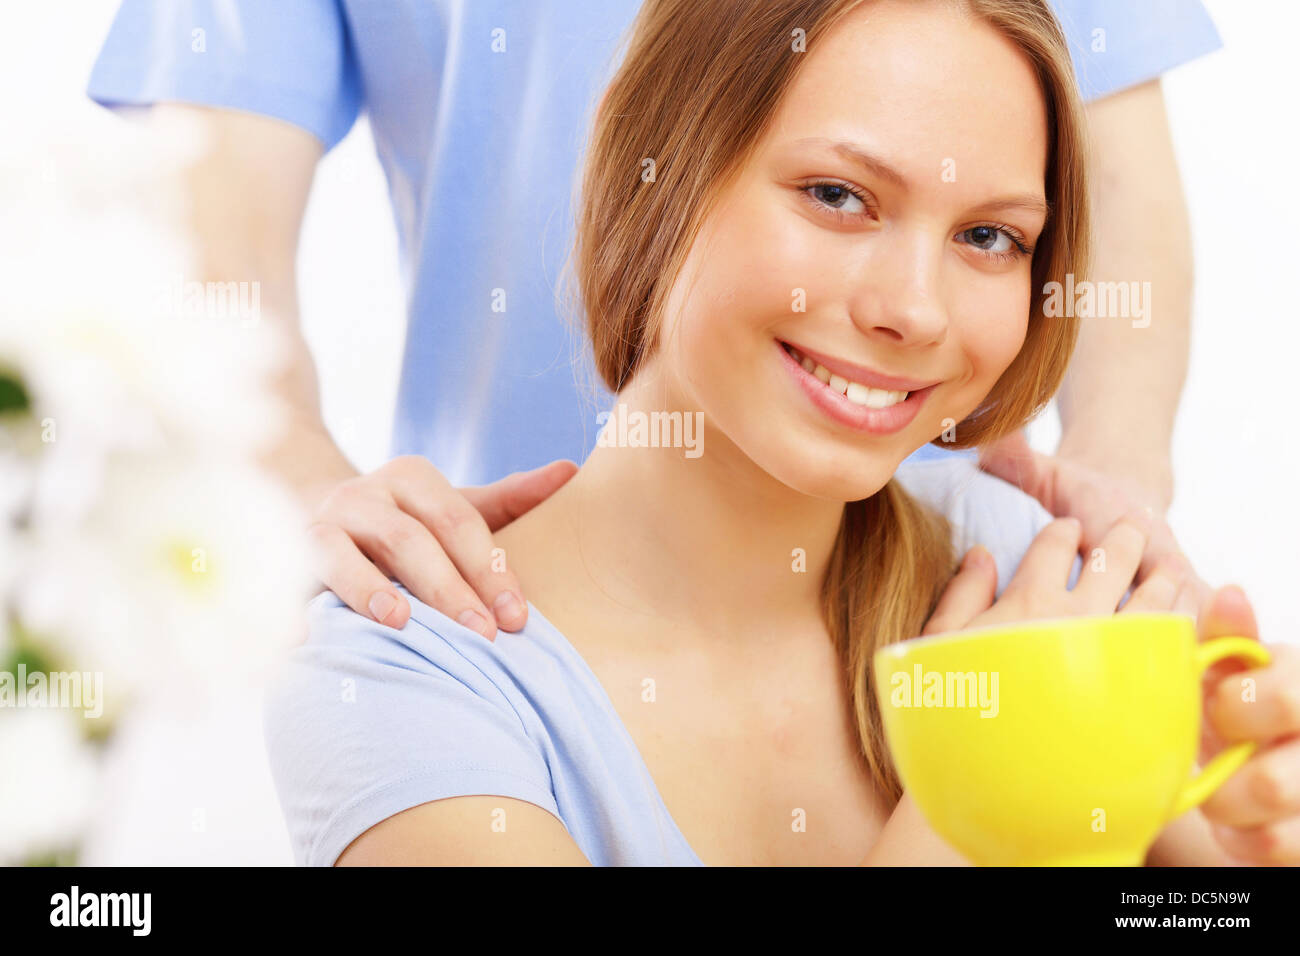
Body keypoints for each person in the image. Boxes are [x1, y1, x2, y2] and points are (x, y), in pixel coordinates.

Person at [264, 0, 1300, 867]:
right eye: (838, 196)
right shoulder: (404, 678)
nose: (916, 309)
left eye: (989, 236)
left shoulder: (1024, 572)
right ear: (651, 180)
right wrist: (974, 803)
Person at [89, 0, 1221, 637]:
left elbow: (1101, 168)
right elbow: (203, 191)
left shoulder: (1003, 597)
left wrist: (1115, 488)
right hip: (497, 601)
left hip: (927, 605)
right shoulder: (435, 706)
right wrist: (300, 482)